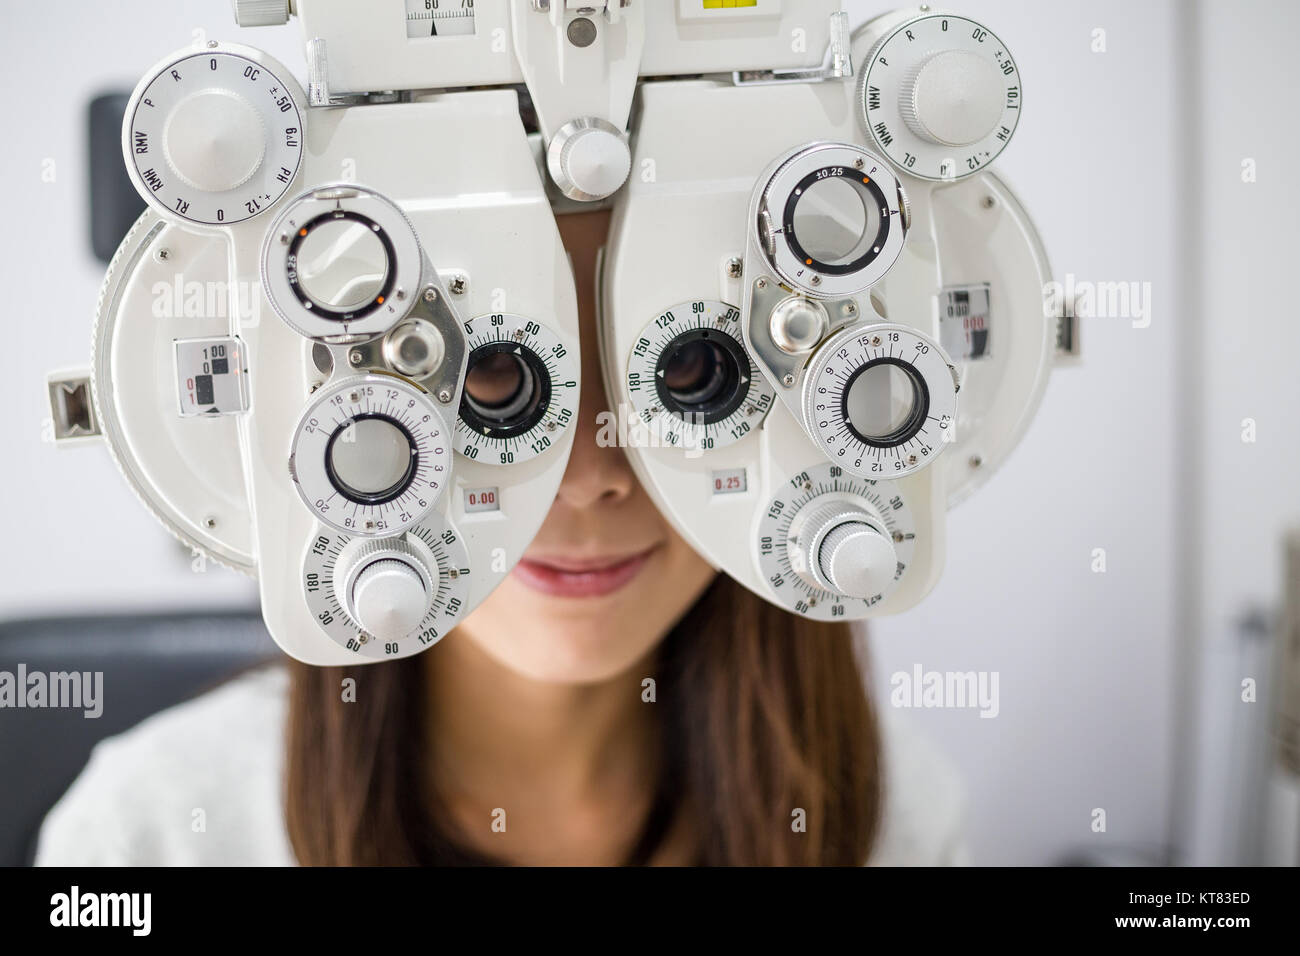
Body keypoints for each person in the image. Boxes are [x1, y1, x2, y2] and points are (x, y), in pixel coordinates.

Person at [35, 210, 968, 866]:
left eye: (686, 367)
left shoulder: (886, 812)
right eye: (491, 374)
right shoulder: (156, 833)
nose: (592, 473)